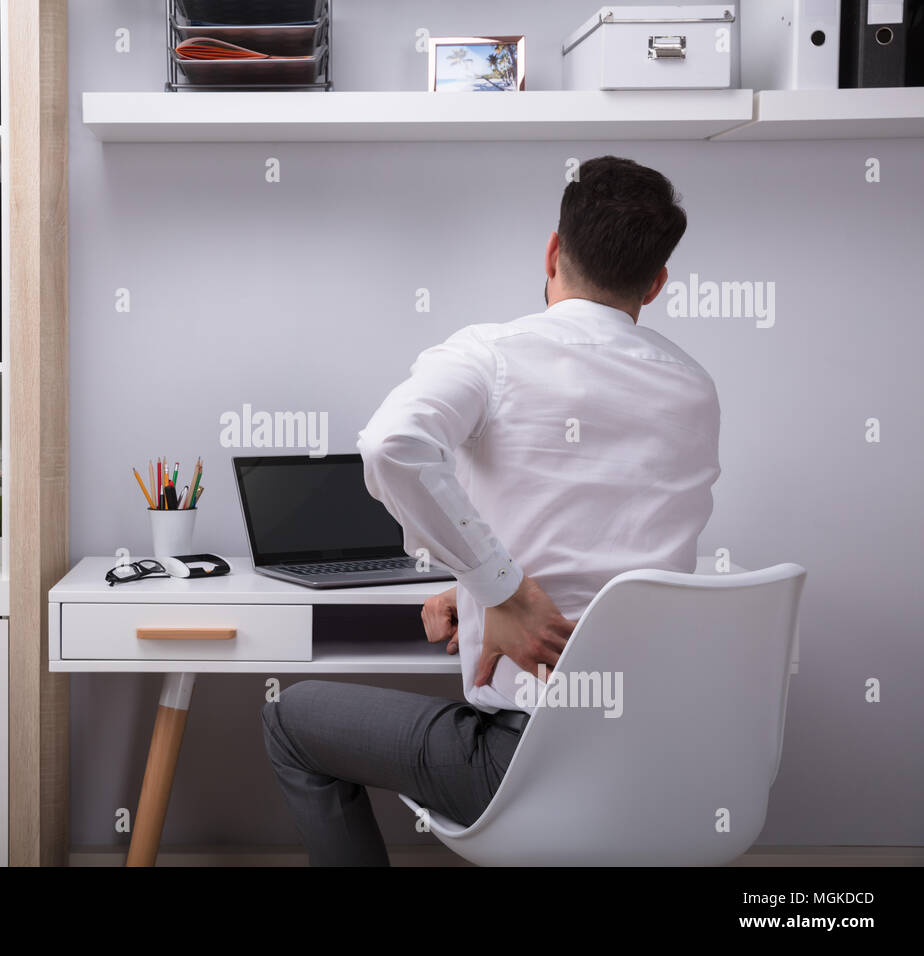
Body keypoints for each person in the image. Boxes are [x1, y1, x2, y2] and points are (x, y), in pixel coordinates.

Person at [261, 155, 722, 866]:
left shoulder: (494, 353)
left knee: (290, 719)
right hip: (664, 764)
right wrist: (476, 589)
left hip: (526, 768)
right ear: (657, 284)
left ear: (551, 251)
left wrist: (499, 589)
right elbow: (608, 547)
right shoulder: (694, 387)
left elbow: (390, 446)